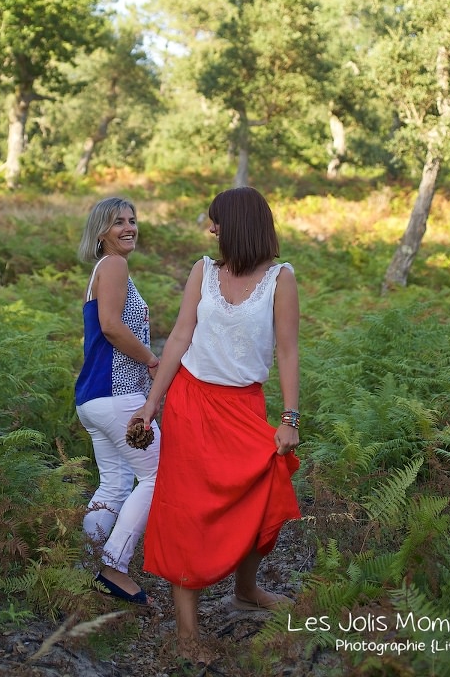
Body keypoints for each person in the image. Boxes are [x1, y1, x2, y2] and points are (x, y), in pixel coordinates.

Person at [129, 186, 301, 657]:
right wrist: (151, 403)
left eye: (216, 221)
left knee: (265, 488)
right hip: (191, 402)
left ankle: (246, 590)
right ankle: (188, 638)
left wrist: (289, 418)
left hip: (244, 407)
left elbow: (287, 350)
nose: (211, 230)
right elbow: (181, 336)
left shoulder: (280, 279)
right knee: (186, 510)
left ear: (238, 225)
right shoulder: (203, 271)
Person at [75, 196, 162, 605]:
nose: (129, 227)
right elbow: (111, 327)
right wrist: (151, 360)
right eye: (118, 222)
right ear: (101, 232)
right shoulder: (113, 266)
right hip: (116, 396)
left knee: (114, 482)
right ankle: (113, 566)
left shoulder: (102, 271)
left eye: (133, 219)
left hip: (93, 398)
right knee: (157, 476)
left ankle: (85, 561)